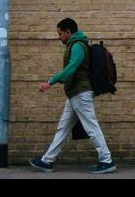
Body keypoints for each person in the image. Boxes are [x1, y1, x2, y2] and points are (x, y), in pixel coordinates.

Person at [28, 18, 115, 174]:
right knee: (63, 128)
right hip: (75, 94)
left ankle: (106, 160)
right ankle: (47, 161)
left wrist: (50, 81)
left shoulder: (77, 46)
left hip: (81, 93)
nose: (59, 37)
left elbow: (71, 68)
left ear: (68, 32)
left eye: (60, 34)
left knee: (91, 127)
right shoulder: (75, 45)